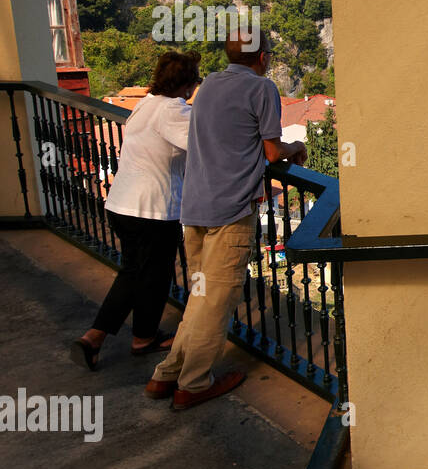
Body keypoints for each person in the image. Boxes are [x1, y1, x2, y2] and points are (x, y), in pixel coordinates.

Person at [145, 33, 306, 410]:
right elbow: (271, 151)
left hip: (194, 208)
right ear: (264, 58)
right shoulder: (262, 89)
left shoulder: (211, 83)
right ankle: (194, 383)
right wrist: (296, 149)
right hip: (229, 210)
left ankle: (166, 373)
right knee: (216, 302)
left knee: (199, 296)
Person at [73, 51, 201, 370]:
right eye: (195, 80)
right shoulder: (174, 111)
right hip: (151, 209)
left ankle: (141, 336)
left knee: (144, 272)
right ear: (185, 85)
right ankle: (97, 336)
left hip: (122, 204)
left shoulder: (147, 103)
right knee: (142, 273)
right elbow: (207, 145)